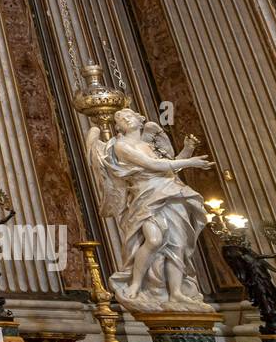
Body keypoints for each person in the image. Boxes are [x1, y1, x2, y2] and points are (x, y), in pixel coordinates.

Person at [86, 108, 214, 312]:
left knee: (177, 244)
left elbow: (170, 166)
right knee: (154, 239)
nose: (126, 120)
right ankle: (136, 283)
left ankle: (176, 293)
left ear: (139, 120)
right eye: (121, 119)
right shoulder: (121, 145)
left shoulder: (148, 143)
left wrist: (188, 150)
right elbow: (152, 165)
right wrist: (191, 162)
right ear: (118, 127)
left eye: (129, 116)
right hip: (146, 196)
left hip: (172, 192)